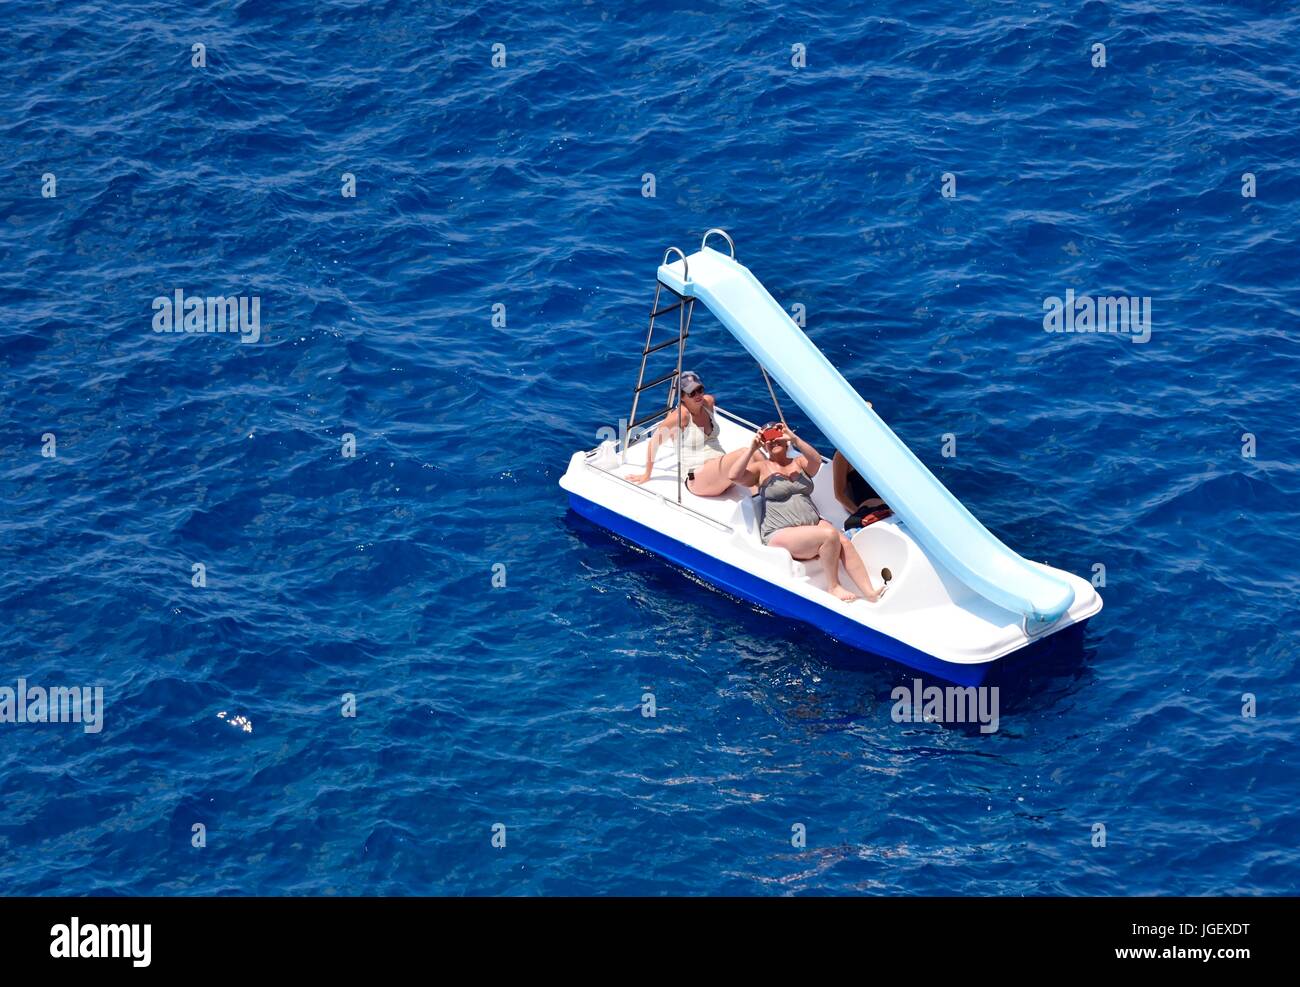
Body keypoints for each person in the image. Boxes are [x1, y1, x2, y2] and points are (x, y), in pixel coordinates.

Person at [730, 422, 883, 603]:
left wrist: (794, 439)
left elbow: (816, 461)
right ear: (764, 444)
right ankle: (834, 586)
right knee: (829, 535)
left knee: (844, 542)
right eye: (768, 439)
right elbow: (734, 476)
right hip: (780, 532)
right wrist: (752, 448)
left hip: (811, 523)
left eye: (777, 436)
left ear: (786, 441)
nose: (774, 441)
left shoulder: (799, 463)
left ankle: (869, 592)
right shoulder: (761, 469)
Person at [629, 371, 760, 494]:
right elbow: (654, 443)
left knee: (757, 454)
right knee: (746, 452)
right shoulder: (679, 417)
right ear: (682, 397)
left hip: (720, 472)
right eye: (692, 393)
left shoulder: (708, 402)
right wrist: (647, 474)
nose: (698, 395)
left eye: (700, 390)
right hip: (697, 478)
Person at [832, 450, 893, 530]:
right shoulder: (843, 454)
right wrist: (860, 515)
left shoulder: (881, 452)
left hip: (890, 511)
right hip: (869, 511)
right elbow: (840, 494)